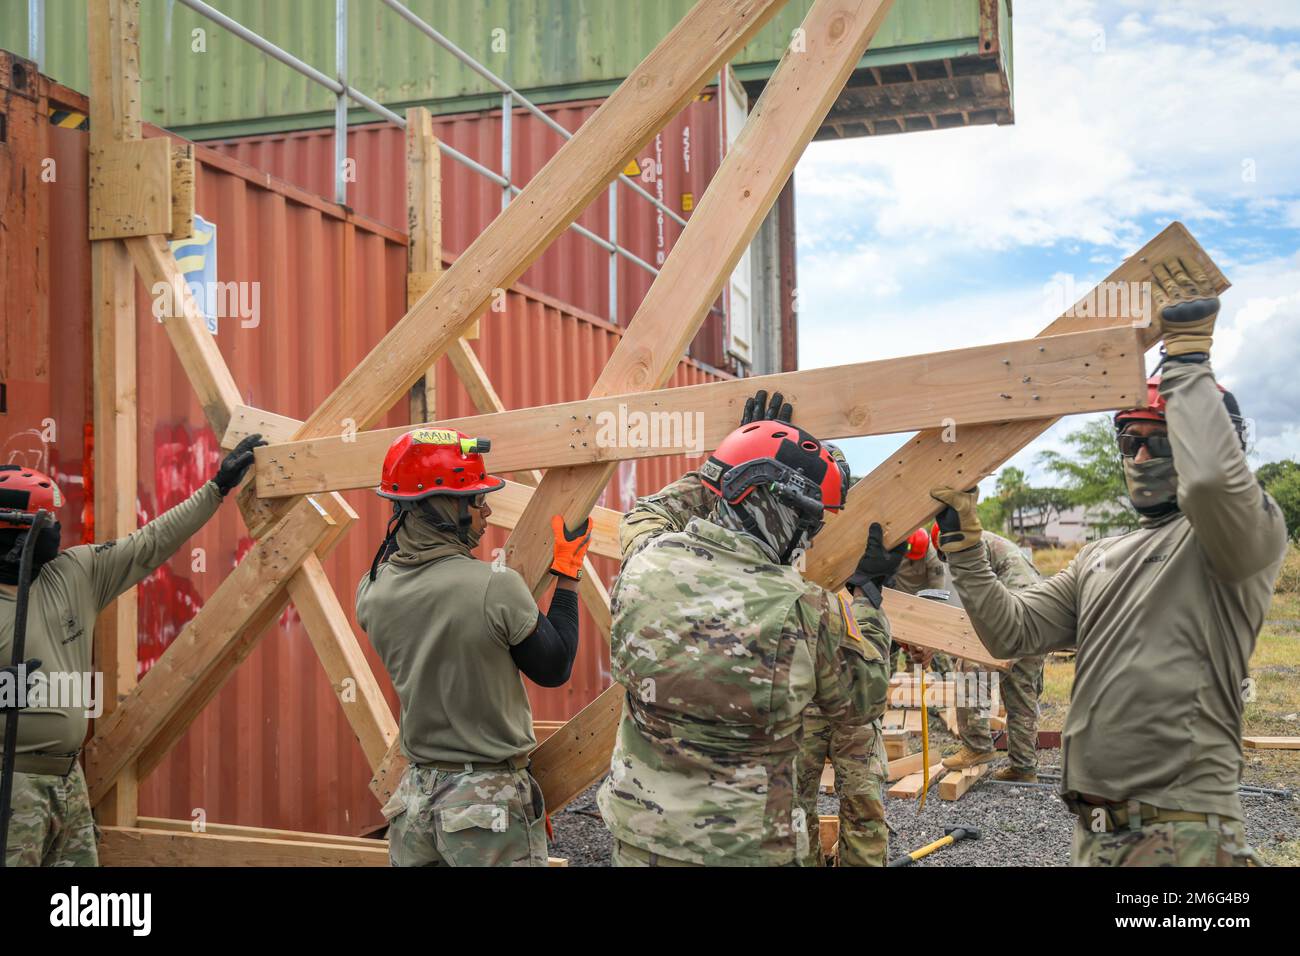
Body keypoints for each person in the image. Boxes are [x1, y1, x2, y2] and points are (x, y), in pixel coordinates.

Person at [930, 258, 1287, 866]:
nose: (1140, 455)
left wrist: (1186, 361)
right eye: (1129, 440)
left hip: (1183, 831)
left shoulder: (1236, 538)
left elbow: (1212, 487)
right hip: (1097, 831)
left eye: (1159, 439)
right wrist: (966, 550)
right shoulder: (1100, 556)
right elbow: (1011, 631)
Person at [597, 391, 871, 866]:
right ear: (779, 512)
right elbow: (864, 698)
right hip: (747, 849)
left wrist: (728, 466)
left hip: (642, 840)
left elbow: (647, 514)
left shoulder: (646, 564)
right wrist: (870, 605)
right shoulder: (811, 612)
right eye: (808, 519)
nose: (811, 535)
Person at [0, 435, 265, 866]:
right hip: (12, 790)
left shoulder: (74, 574)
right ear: (12, 533)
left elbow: (152, 541)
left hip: (69, 784)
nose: (54, 530)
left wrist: (216, 487)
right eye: (42, 521)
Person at [357, 428, 592, 867]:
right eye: (475, 501)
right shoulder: (494, 587)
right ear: (444, 506)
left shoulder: (371, 591)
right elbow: (555, 666)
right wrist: (567, 575)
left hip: (413, 805)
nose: (486, 512)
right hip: (485, 808)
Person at [795, 519, 904, 866]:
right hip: (810, 700)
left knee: (862, 805)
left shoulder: (861, 542)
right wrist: (867, 593)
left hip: (847, 699)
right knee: (793, 811)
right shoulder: (795, 549)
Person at [934, 531, 1044, 782]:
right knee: (1021, 688)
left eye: (945, 556)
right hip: (1038, 613)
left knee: (969, 666)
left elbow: (980, 598)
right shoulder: (990, 543)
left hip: (1015, 609)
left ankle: (977, 747)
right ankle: (1024, 768)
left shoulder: (969, 545)